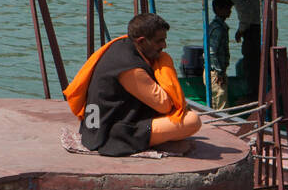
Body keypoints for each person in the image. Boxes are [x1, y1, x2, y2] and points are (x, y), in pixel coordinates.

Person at [63, 13, 201, 156]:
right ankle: (141, 140)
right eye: (159, 41)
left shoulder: (120, 45)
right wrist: (165, 63)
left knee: (179, 115)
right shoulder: (130, 68)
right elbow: (164, 105)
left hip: (96, 126)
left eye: (164, 40)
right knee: (192, 121)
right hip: (111, 133)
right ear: (141, 41)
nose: (164, 46)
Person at [207, 0, 233, 109]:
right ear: (218, 9)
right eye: (227, 9)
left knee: (218, 102)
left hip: (218, 71)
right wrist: (219, 72)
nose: (230, 11)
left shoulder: (220, 26)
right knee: (220, 103)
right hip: (215, 72)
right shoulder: (217, 28)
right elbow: (211, 52)